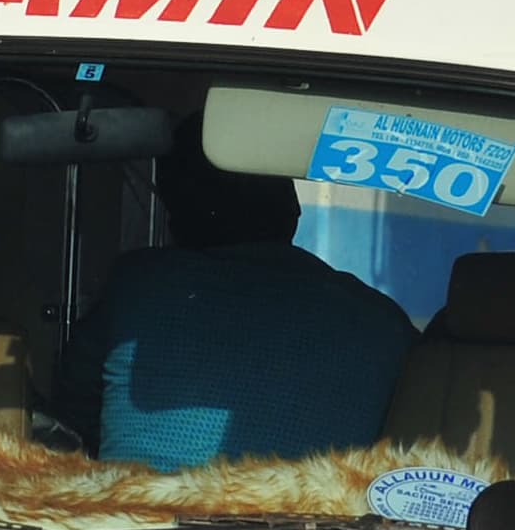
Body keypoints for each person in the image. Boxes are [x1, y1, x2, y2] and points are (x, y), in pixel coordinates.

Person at [52, 146, 414, 470]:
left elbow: (75, 410)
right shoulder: (384, 323)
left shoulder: (136, 283)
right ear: (295, 209)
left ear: (176, 220)